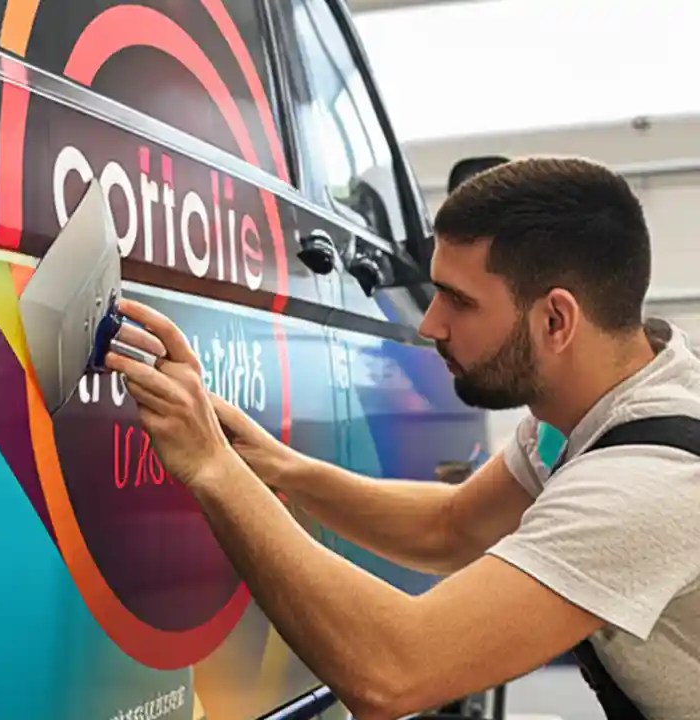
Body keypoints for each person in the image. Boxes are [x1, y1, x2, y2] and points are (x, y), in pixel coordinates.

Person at [103, 157, 700, 720]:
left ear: (555, 321)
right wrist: (279, 468)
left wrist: (213, 470)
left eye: (459, 302)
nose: (429, 323)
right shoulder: (588, 410)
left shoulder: (645, 481)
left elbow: (394, 671)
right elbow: (452, 527)